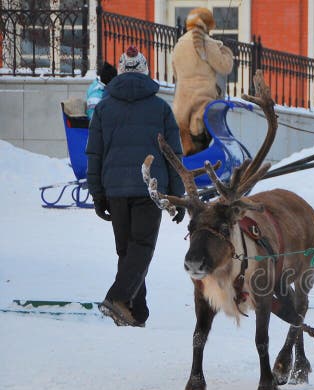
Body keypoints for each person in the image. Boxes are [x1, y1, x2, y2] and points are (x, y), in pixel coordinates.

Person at [86, 46, 185, 327]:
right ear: (145, 70)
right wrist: (177, 196)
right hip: (149, 188)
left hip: (115, 189)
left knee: (128, 251)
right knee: (141, 247)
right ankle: (117, 298)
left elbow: (94, 153)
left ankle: (135, 312)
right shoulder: (160, 108)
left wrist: (97, 194)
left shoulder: (104, 107)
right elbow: (173, 155)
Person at [172, 7, 234, 156]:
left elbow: (175, 74)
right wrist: (226, 51)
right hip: (202, 108)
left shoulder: (178, 46)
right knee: (202, 157)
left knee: (188, 157)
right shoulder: (208, 43)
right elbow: (225, 67)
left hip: (182, 109)